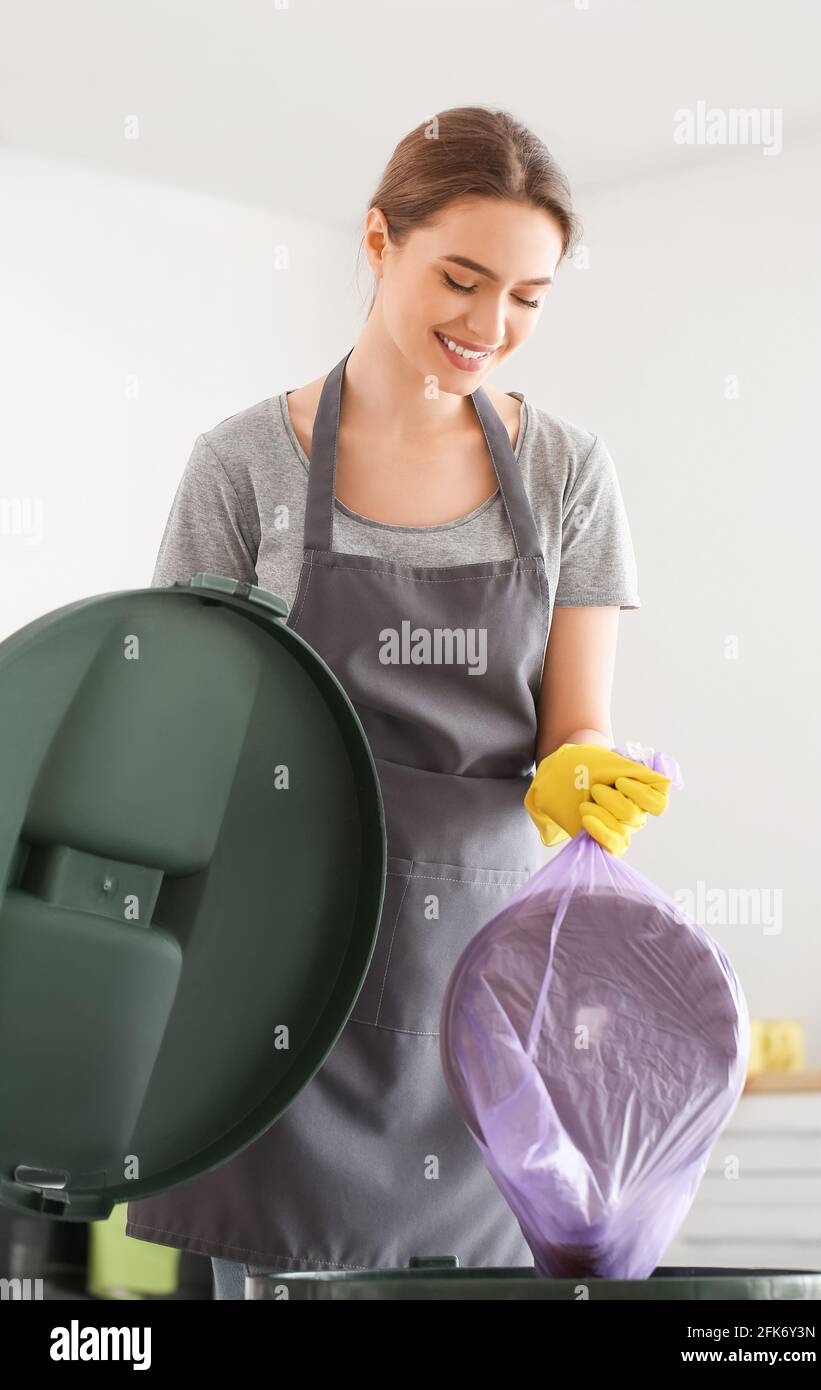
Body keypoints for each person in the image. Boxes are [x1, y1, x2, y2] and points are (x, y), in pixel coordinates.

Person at [125, 106, 670, 1300]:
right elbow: (177, 726)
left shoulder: (567, 473)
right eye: (460, 279)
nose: (489, 327)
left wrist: (577, 767)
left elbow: (571, 721)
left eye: (527, 296)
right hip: (276, 989)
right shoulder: (240, 465)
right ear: (377, 241)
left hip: (473, 1006)